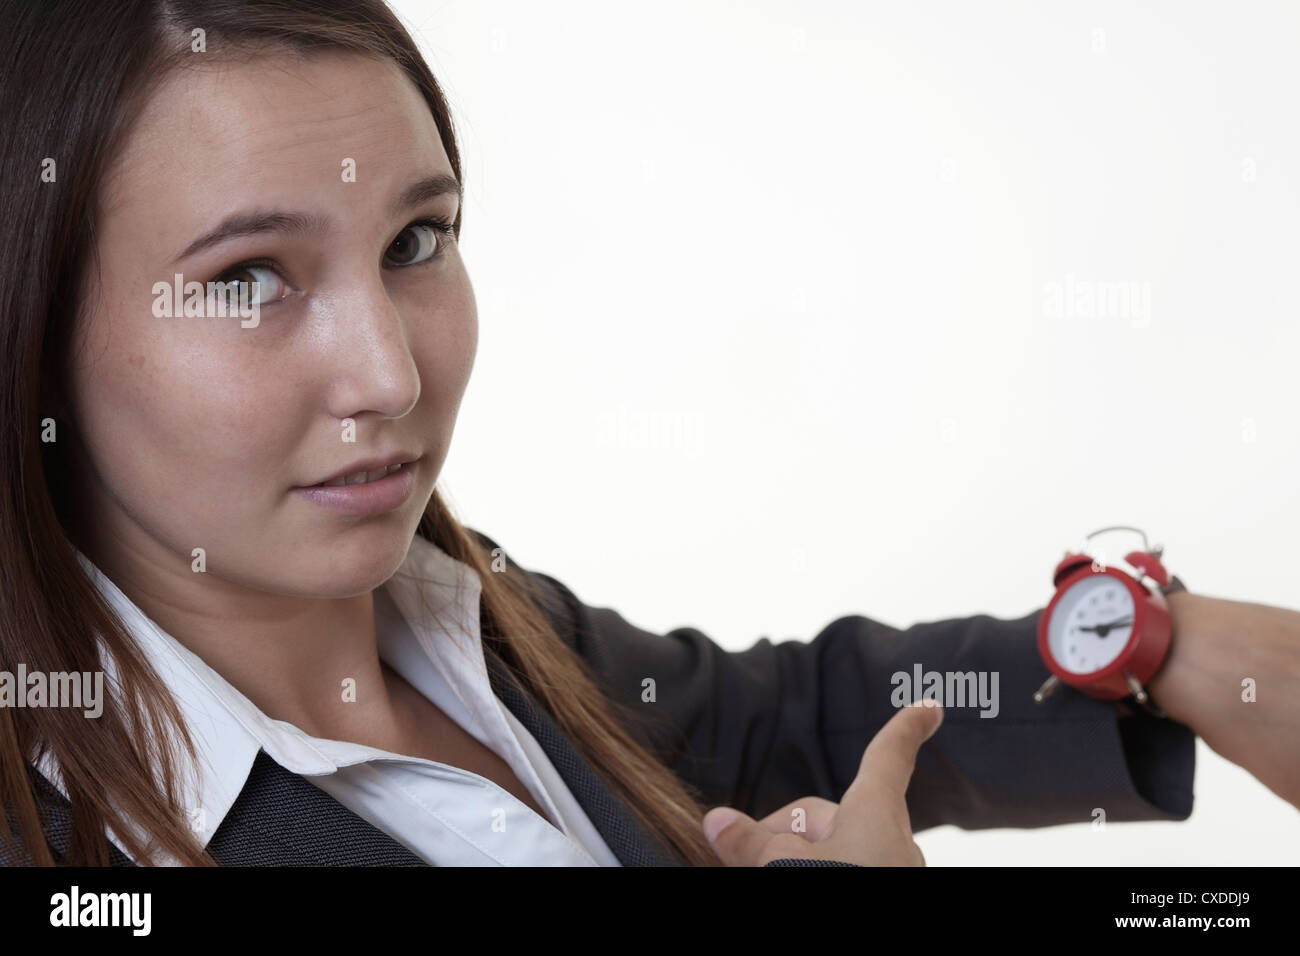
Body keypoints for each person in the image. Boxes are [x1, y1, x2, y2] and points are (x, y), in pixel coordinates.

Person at [1, 0, 1296, 868]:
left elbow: (788, 717)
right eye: (248, 281)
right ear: (37, 328)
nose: (390, 373)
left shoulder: (472, 618)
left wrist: (1166, 644)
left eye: (415, 242)